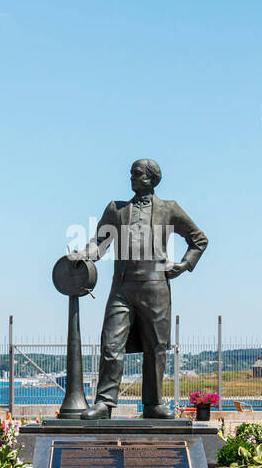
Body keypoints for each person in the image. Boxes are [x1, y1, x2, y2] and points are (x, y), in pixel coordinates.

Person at [75, 159, 208, 420]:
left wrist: (183, 265)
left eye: (137, 174)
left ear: (152, 179)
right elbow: (100, 243)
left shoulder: (169, 209)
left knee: (156, 347)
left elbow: (199, 239)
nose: (132, 178)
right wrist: (85, 255)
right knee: (111, 343)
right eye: (131, 173)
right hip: (122, 288)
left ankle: (153, 404)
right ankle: (104, 402)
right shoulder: (116, 209)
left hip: (155, 287)